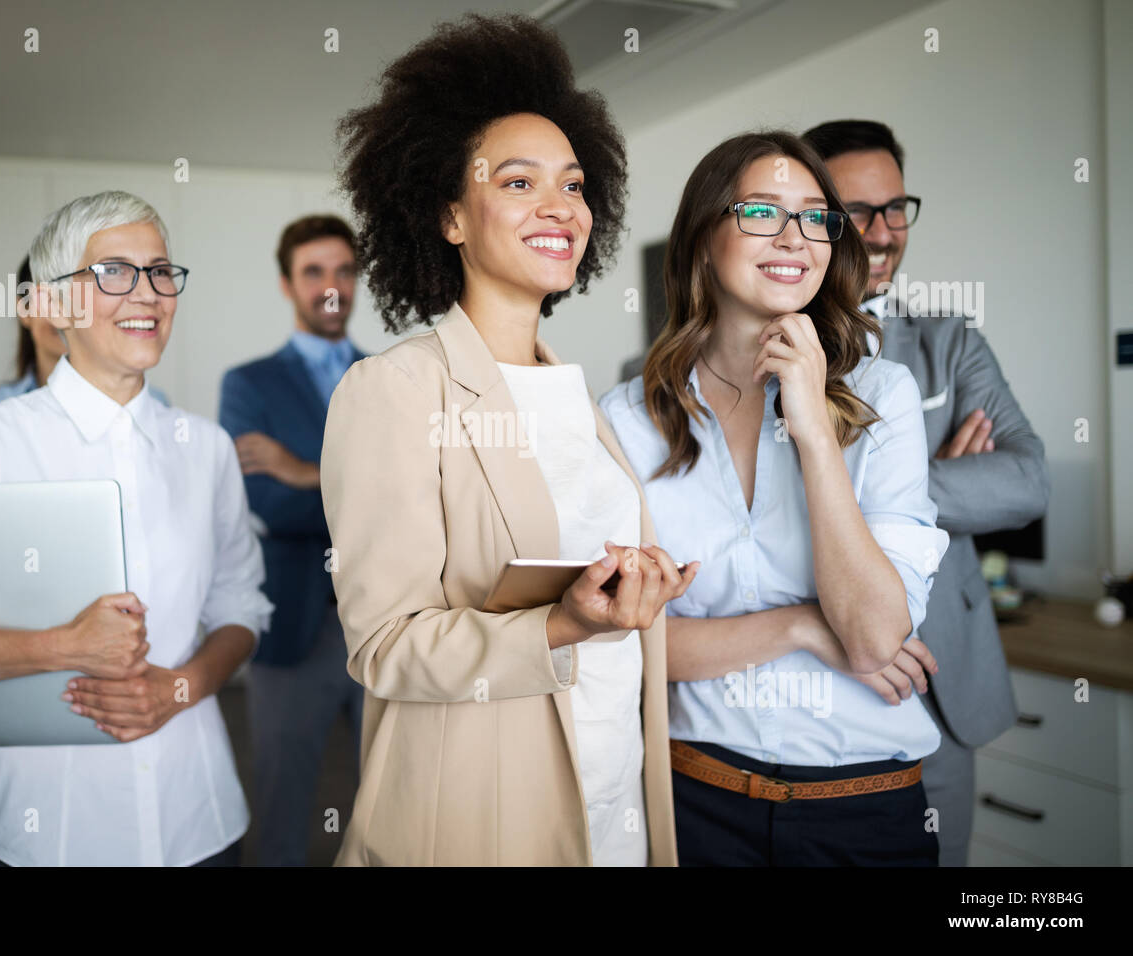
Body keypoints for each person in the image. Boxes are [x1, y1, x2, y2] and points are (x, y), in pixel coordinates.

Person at [320, 13, 696, 866]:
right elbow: (385, 647)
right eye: (518, 183)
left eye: (572, 183)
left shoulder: (578, 392)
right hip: (489, 813)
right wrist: (558, 624)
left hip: (615, 795)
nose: (559, 207)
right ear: (450, 214)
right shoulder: (393, 391)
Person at [0, 190, 270, 866]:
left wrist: (179, 686)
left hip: (198, 822)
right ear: (53, 303)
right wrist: (62, 644)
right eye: (114, 273)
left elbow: (241, 605)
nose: (148, 293)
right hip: (36, 838)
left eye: (161, 271)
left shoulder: (207, 448)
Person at [600, 131, 951, 866]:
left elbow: (877, 637)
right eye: (762, 211)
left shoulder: (884, 396)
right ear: (703, 239)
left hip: (864, 814)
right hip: (694, 802)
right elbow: (626, 642)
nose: (794, 237)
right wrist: (801, 627)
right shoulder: (628, 421)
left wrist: (816, 431)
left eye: (815, 216)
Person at [802, 119, 1049, 866]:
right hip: (808, 684)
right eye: (857, 212)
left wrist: (892, 485)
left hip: (938, 688)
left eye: (896, 208)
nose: (882, 233)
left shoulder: (952, 344)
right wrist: (939, 477)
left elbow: (1026, 480)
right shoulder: (769, 343)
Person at [217, 214, 365, 866]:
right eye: (313, 272)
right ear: (286, 284)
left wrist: (304, 468)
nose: (330, 287)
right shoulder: (248, 383)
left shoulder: (389, 374)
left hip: (384, 617)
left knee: (397, 799)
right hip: (294, 617)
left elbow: (422, 498)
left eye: (343, 270)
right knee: (281, 807)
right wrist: (366, 491)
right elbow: (263, 501)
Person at [0, 254, 169, 411]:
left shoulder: (153, 404)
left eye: (77, 296)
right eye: (50, 300)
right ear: (24, 309)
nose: (65, 312)